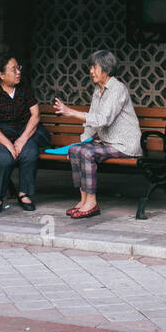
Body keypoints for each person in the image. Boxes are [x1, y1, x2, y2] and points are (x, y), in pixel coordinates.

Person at [52, 49, 141, 220]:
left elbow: (103, 119)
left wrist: (70, 112)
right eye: (90, 67)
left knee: (86, 153)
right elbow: (92, 124)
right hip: (109, 143)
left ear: (106, 69)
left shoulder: (117, 89)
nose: (90, 71)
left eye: (94, 67)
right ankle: (84, 199)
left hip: (124, 144)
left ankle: (91, 203)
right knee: (77, 150)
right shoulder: (98, 90)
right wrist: (80, 142)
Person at [0, 52, 50, 214]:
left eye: (19, 68)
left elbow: (35, 115)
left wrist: (21, 140)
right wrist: (8, 144)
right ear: (1, 75)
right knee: (4, 157)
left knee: (30, 153)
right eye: (14, 69)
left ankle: (23, 193)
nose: (19, 72)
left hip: (24, 131)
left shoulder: (24, 86)